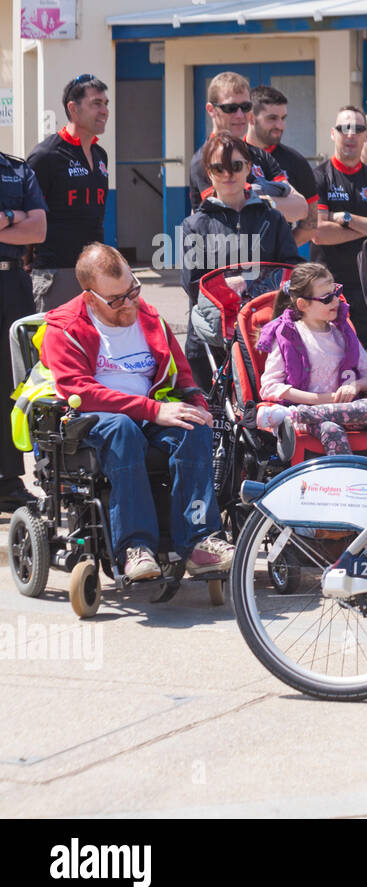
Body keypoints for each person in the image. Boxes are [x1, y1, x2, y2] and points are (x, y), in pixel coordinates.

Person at [39, 244, 234, 581]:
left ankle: (200, 540)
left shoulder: (149, 316)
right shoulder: (65, 328)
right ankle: (135, 547)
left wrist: (196, 404)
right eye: (116, 299)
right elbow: (79, 391)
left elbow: (181, 374)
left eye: (133, 290)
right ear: (89, 298)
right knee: (122, 429)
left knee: (194, 428)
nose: (129, 303)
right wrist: (150, 410)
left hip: (150, 412)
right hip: (95, 419)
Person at [180, 132, 301, 388]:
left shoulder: (273, 219)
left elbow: (292, 270)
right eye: (218, 167)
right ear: (208, 172)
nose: (228, 174)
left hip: (267, 336)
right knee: (216, 422)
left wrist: (250, 284)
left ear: (248, 168)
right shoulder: (194, 225)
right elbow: (192, 283)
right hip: (211, 344)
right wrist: (228, 289)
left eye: (235, 166)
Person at [257, 263, 367, 457]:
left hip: (343, 410)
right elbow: (269, 386)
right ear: (302, 305)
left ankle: (293, 416)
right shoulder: (288, 336)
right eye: (326, 298)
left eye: (336, 292)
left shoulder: (343, 333)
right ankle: (348, 483)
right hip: (308, 414)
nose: (336, 301)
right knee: (330, 429)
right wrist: (319, 400)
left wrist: (356, 386)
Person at [311, 106, 367, 343]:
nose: (350, 135)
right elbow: (318, 232)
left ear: (364, 134)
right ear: (333, 133)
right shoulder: (318, 177)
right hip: (326, 288)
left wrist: (344, 218)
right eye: (344, 128)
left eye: (358, 129)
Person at [27, 74, 109, 313]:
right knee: (55, 347)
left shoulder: (100, 154)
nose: (104, 111)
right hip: (56, 273)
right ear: (73, 108)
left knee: (91, 347)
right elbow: (29, 216)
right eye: (96, 103)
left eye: (106, 104)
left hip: (94, 273)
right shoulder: (46, 156)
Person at [188, 71, 307, 224]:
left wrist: (265, 202)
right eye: (230, 108)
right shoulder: (204, 159)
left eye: (245, 106)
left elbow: (300, 207)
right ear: (211, 110)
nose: (240, 115)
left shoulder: (260, 155)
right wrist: (274, 200)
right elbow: (230, 212)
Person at [0, 150, 48, 512]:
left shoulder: (17, 169)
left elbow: (39, 229)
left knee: (12, 382)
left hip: (13, 281)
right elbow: (26, 225)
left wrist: (5, 217)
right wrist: (16, 218)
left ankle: (9, 481)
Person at [246, 84, 319, 248]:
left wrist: (280, 251)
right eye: (272, 118)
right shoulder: (230, 156)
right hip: (233, 261)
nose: (280, 126)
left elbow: (311, 225)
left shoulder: (296, 162)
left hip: (277, 267)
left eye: (283, 118)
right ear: (251, 118)